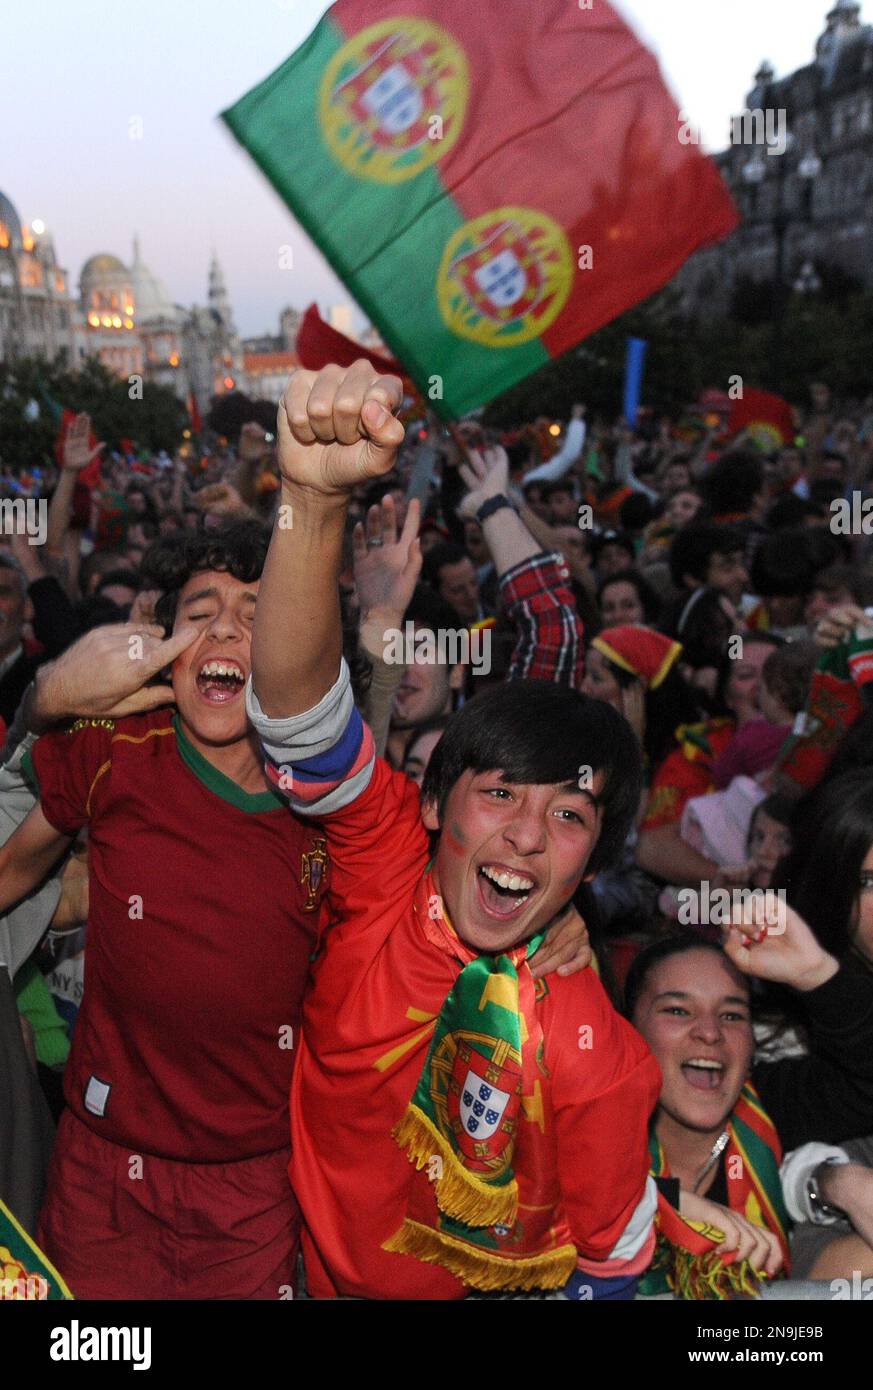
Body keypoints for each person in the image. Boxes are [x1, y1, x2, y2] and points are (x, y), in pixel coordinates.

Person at [245, 359, 661, 1300]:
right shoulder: (387, 856)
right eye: (501, 795)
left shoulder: (593, 1047)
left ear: (594, 856)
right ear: (433, 803)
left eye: (568, 816)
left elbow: (611, 1259)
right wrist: (310, 506)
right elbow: (300, 718)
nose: (523, 836)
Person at [0, 524, 331, 1299]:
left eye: (258, 613)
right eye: (202, 611)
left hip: (251, 1186)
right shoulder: (110, 744)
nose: (225, 628)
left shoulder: (332, 801)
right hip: (101, 1173)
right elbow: (11, 870)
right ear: (162, 644)